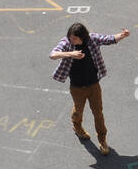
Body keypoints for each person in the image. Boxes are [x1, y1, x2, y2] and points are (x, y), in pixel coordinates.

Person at [49, 22, 131, 155]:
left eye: (75, 38)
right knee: (78, 111)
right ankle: (77, 126)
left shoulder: (92, 39)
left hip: (93, 85)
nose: (72, 40)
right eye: (70, 37)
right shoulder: (66, 43)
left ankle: (102, 140)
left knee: (98, 113)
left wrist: (123, 35)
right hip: (77, 87)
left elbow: (109, 39)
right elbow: (52, 55)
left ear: (83, 37)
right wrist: (71, 54)